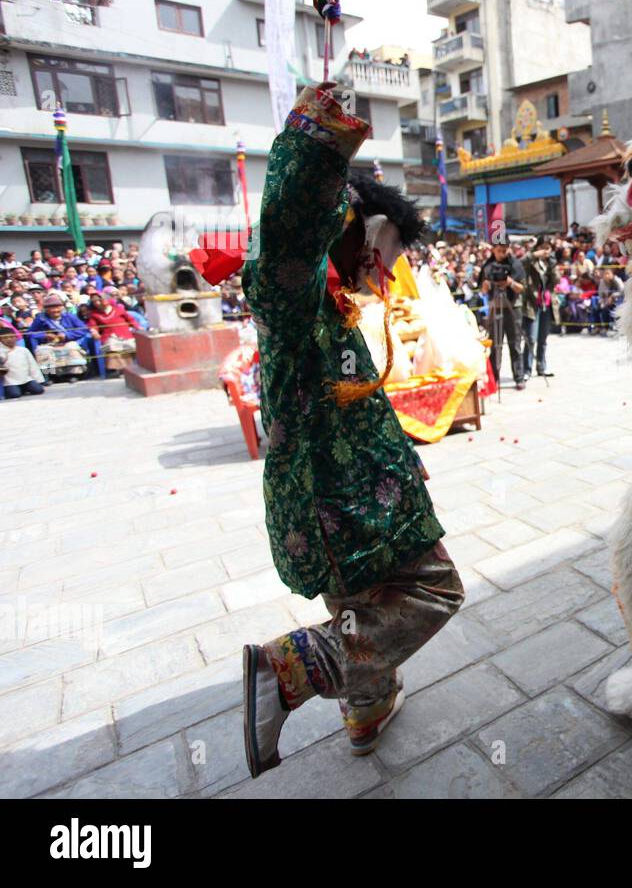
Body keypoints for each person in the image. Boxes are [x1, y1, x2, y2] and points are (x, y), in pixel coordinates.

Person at [192, 83, 464, 778]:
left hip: (348, 498)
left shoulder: (335, 308)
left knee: (360, 608)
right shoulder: (295, 294)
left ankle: (366, 713)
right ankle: (289, 670)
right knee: (432, 590)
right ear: (358, 223)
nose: (393, 268)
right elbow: (288, 227)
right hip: (339, 502)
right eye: (393, 246)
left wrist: (400, 459)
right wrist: (321, 146)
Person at [480, 240, 527, 389]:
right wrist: (486, 286)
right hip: (496, 307)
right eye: (500, 250)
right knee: (495, 345)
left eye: (505, 250)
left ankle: (519, 377)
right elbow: (482, 291)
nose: (503, 253)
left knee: (515, 344)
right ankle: (494, 378)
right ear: (493, 250)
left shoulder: (515, 264)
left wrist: (510, 283)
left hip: (513, 307)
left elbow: (521, 288)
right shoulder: (487, 266)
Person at [27, 292, 90, 381]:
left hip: (68, 341)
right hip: (49, 343)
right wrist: (45, 335)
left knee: (72, 349)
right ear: (46, 309)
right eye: (52, 308)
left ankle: (72, 374)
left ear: (61, 307)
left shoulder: (69, 316)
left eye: (57, 307)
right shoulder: (41, 319)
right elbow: (30, 333)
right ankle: (50, 376)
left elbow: (83, 329)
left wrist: (66, 335)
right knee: (43, 351)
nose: (55, 310)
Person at [521, 240, 556, 378]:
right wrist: (534, 255)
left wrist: (553, 265)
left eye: (548, 248)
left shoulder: (550, 264)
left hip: (547, 304)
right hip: (532, 304)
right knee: (531, 338)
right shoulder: (531, 262)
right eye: (543, 248)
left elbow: (556, 280)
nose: (546, 251)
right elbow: (520, 262)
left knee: (543, 339)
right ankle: (527, 370)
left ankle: (542, 367)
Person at [0, 322, 45, 399]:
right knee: (15, 394)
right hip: (9, 381)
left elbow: (32, 365)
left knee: (39, 390)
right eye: (5, 338)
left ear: (16, 337)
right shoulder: (1, 351)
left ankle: (24, 388)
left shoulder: (23, 350)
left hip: (26, 379)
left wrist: (38, 380)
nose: (9, 339)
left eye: (11, 337)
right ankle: (17, 390)